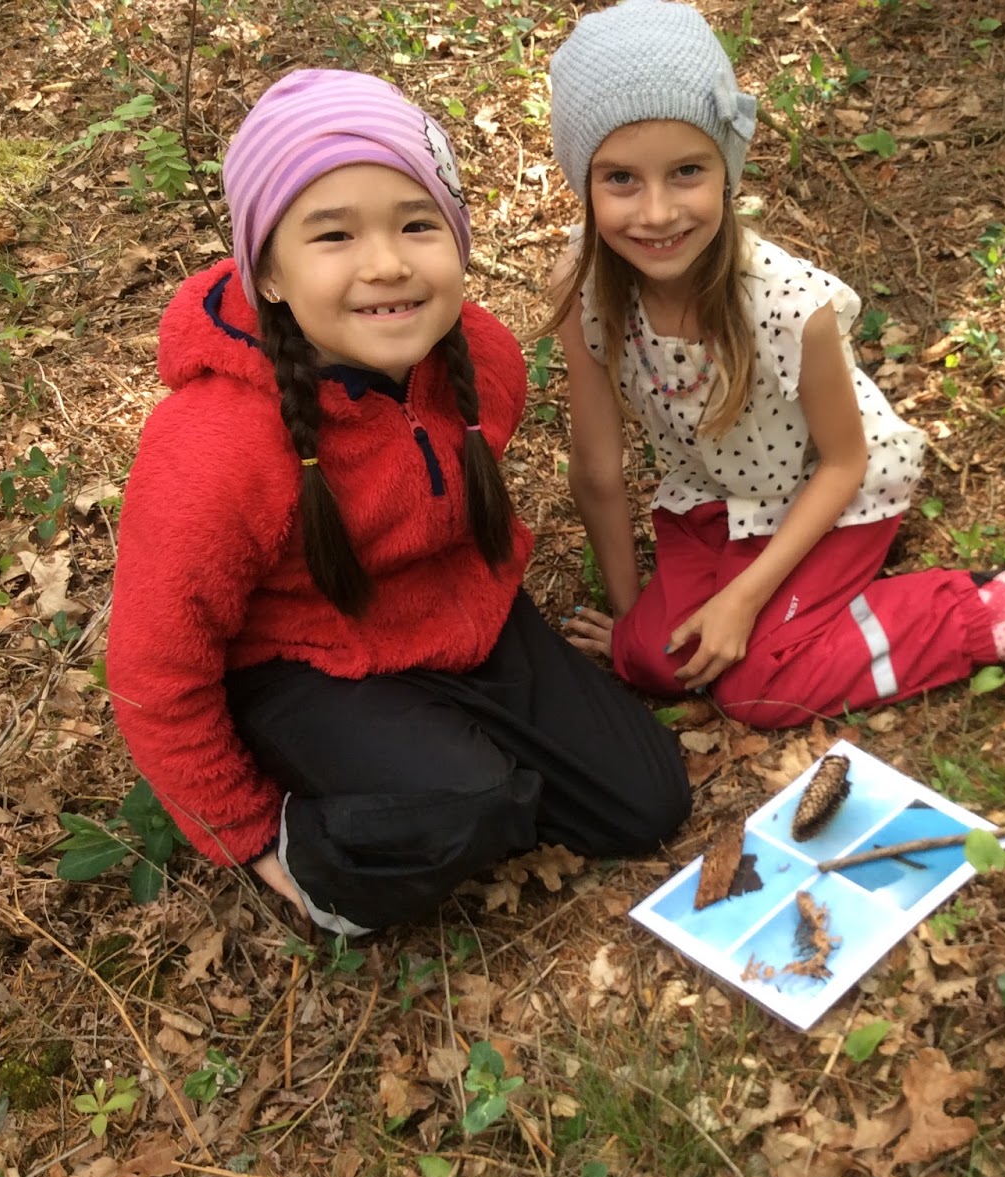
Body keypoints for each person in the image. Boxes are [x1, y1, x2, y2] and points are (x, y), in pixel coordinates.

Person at [106, 69, 691, 936]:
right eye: (332, 234)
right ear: (266, 267)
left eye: (417, 223)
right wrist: (249, 836)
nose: (386, 263)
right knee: (470, 799)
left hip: (460, 624)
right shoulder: (214, 450)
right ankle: (335, 846)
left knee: (647, 802)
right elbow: (155, 671)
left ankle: (462, 769)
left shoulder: (483, 359)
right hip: (307, 665)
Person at [542, 0, 1005, 732]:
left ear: (726, 169)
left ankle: (989, 609)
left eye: (687, 171)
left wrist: (745, 598)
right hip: (717, 497)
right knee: (653, 659)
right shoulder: (584, 288)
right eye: (620, 180)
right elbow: (597, 470)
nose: (659, 211)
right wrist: (631, 614)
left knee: (755, 690)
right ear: (584, 180)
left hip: (831, 493)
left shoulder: (789, 304)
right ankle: (733, 621)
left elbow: (843, 460)